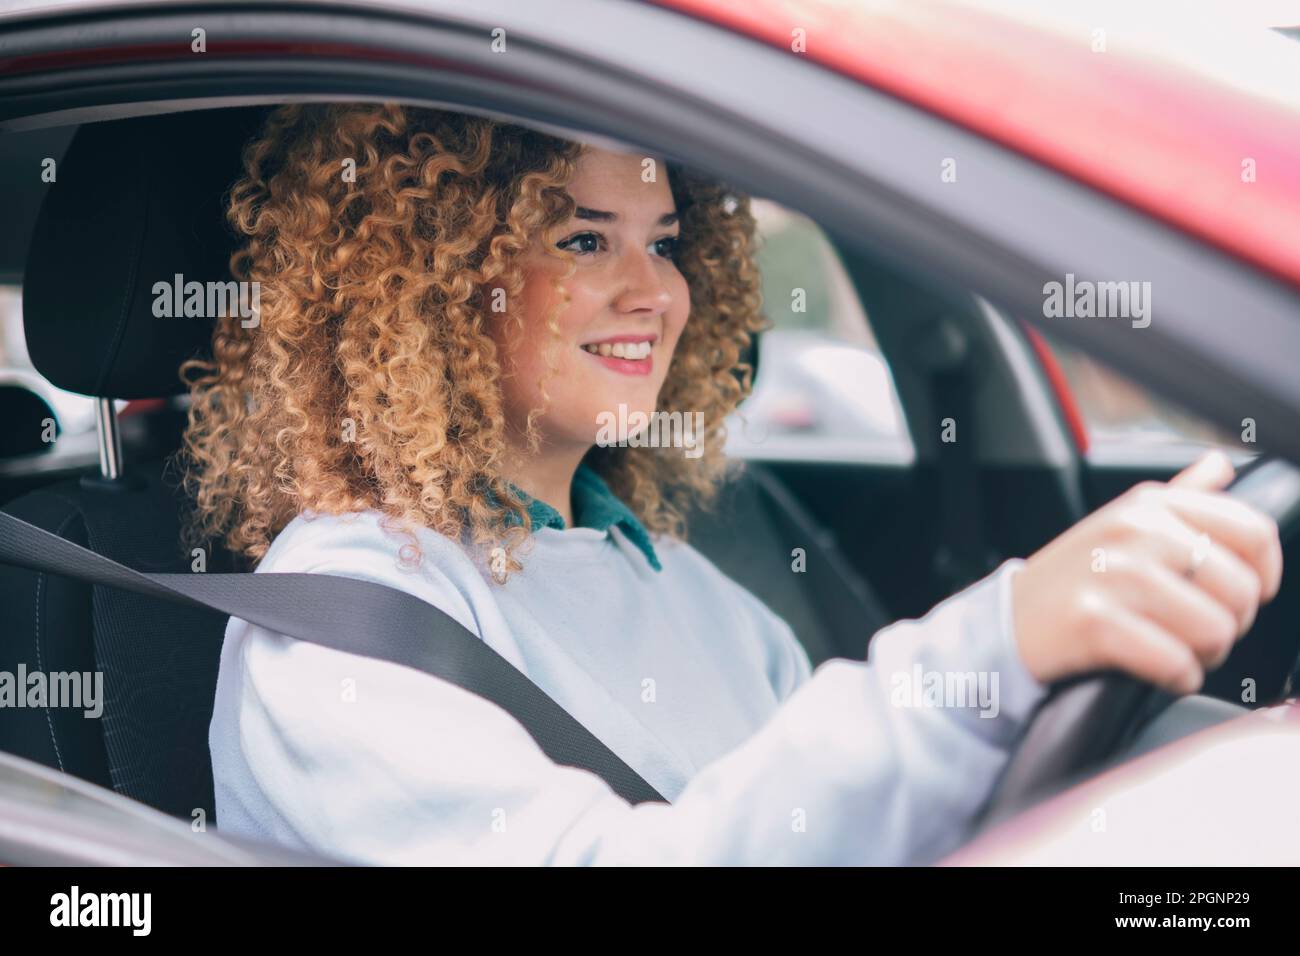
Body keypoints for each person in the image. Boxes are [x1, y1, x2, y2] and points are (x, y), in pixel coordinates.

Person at [186, 103, 1282, 865]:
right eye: (583, 237)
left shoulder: (700, 594)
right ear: (430, 280)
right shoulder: (341, 618)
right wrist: (996, 641)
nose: (654, 291)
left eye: (663, 242)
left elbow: (850, 822)